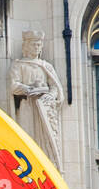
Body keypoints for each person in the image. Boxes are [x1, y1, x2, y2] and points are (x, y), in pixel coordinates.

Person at [8, 30, 64, 171]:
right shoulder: (19, 65)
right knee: (27, 134)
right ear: (26, 46)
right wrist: (28, 89)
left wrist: (50, 95)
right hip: (27, 104)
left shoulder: (46, 66)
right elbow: (14, 85)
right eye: (34, 44)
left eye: (39, 45)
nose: (37, 48)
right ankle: (27, 162)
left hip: (44, 108)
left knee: (44, 139)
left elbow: (55, 87)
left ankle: (46, 163)